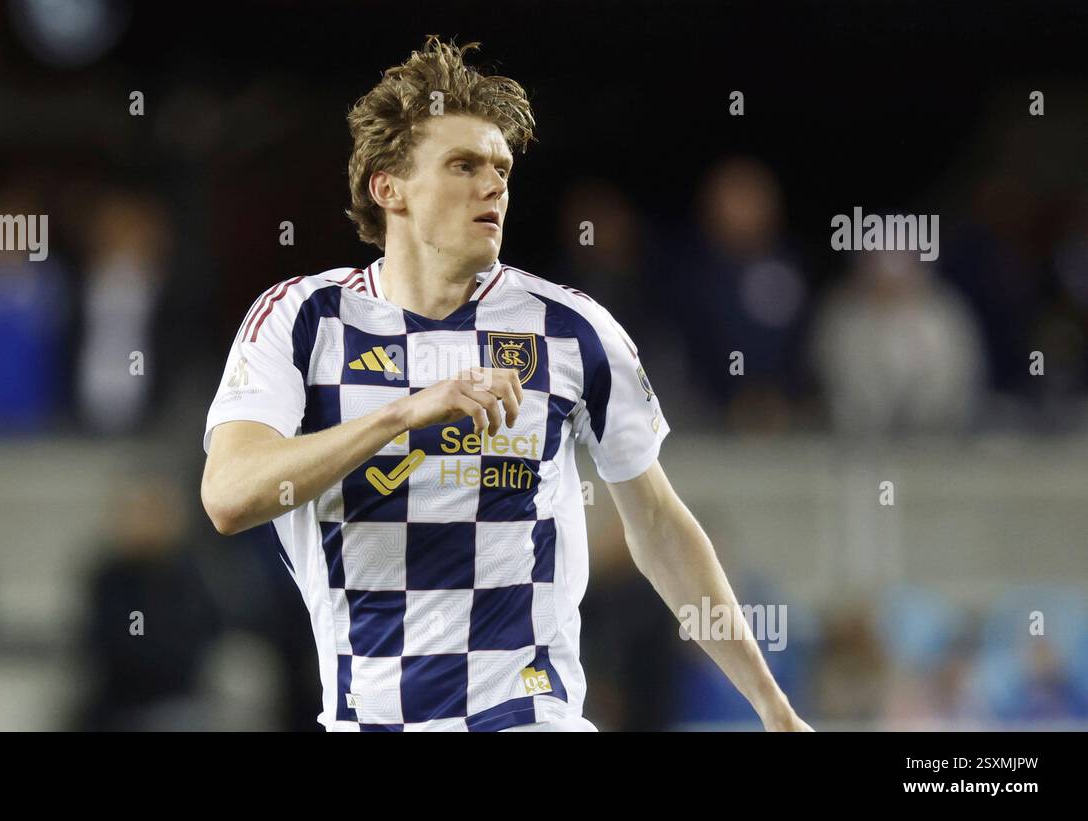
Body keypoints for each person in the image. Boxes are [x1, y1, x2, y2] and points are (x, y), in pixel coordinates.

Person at [200, 36, 810, 732]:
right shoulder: (302, 320)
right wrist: (401, 415)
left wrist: (774, 708)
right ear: (387, 186)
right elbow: (229, 494)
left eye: (501, 168)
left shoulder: (571, 328)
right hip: (366, 717)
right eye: (462, 165)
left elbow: (660, 524)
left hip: (524, 714)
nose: (492, 184)